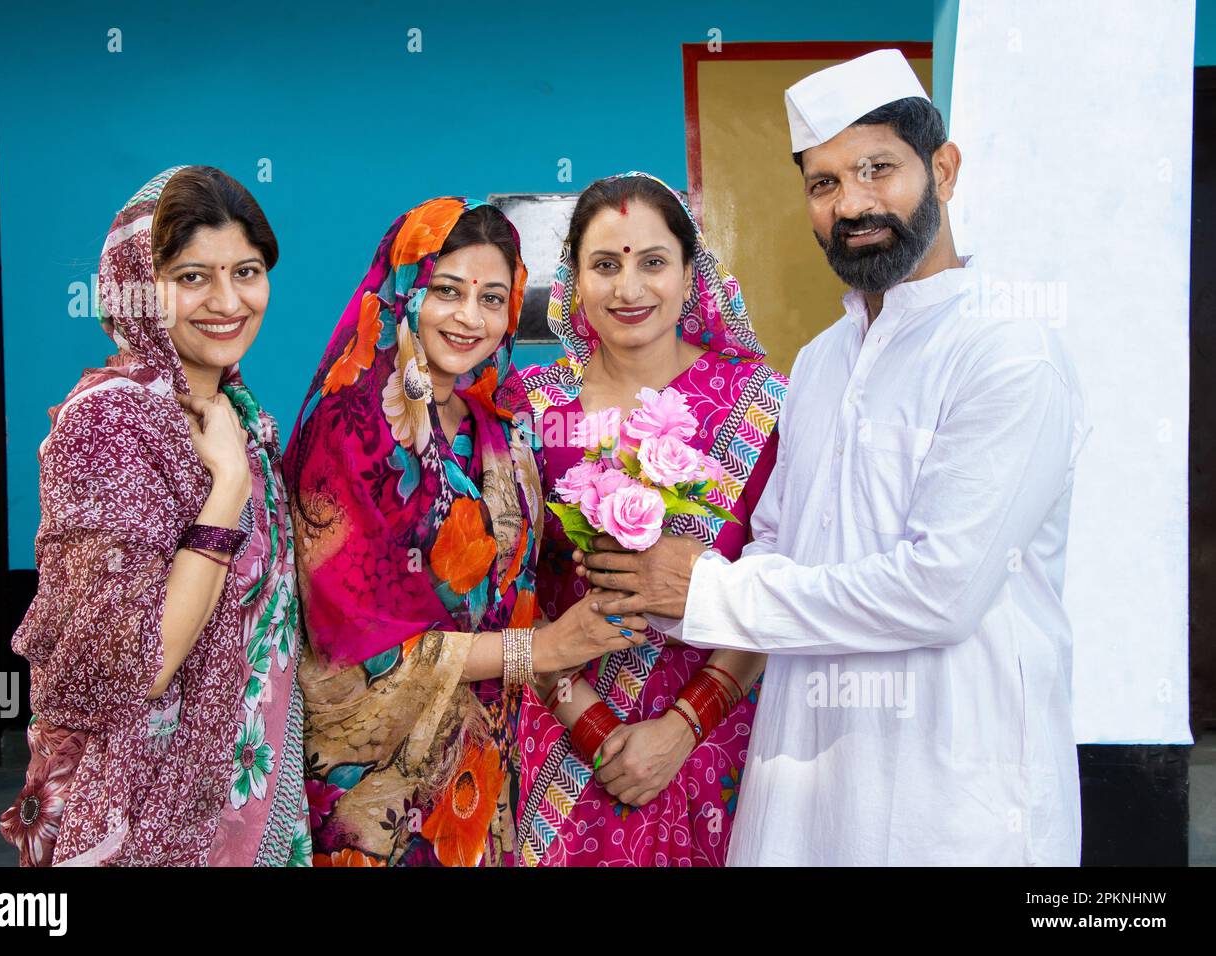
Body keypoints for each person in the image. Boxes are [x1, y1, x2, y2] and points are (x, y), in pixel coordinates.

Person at [582, 50, 1088, 866]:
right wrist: (658, 586)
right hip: (808, 784)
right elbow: (781, 544)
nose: (852, 203)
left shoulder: (1007, 355)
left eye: (877, 169)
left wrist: (708, 586)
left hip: (953, 791)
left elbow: (939, 592)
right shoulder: (820, 362)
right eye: (824, 183)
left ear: (945, 169)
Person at [285, 198, 645, 867]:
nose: (469, 318)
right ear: (402, 294)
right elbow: (350, 649)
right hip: (373, 797)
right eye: (446, 291)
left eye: (491, 298)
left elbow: (532, 573)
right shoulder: (349, 433)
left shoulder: (501, 432)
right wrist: (534, 652)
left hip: (482, 776)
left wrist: (640, 539)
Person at [0, 166, 311, 866]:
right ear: (138, 285)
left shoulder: (241, 414)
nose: (228, 301)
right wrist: (225, 487)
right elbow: (141, 666)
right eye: (192, 277)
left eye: (248, 270)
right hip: (147, 818)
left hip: (245, 794)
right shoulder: (112, 421)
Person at [515, 172, 787, 866]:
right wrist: (592, 723)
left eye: (653, 263)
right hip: (554, 730)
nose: (628, 289)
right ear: (574, 278)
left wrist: (681, 728)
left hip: (710, 740)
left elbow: (783, 583)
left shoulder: (760, 403)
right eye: (605, 265)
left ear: (691, 275)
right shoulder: (527, 407)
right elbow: (497, 587)